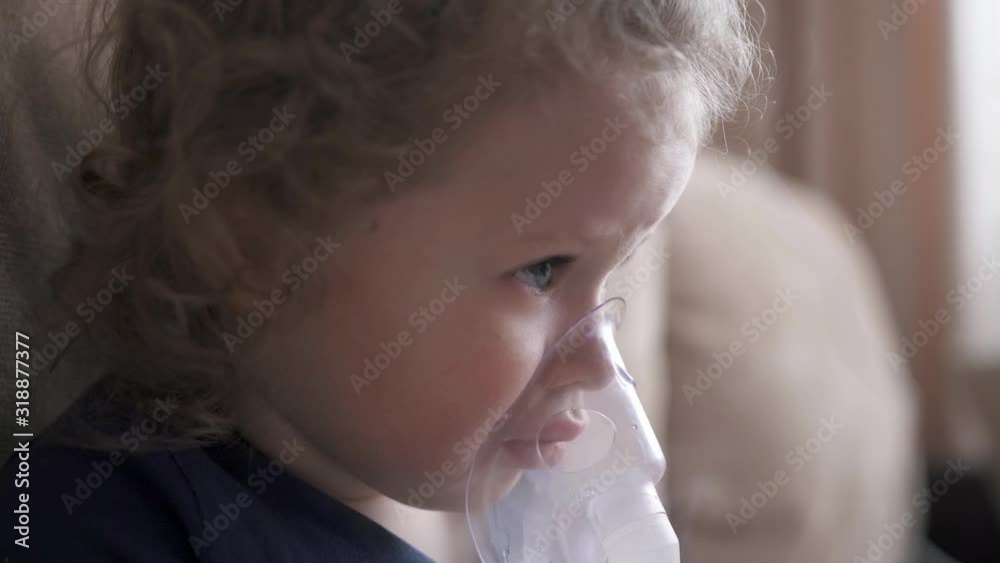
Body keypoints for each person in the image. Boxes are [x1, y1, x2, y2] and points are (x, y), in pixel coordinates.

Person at [2, 0, 758, 560]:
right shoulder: (89, 527)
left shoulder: (523, 506)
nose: (599, 362)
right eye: (541, 269)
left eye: (619, 264)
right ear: (248, 243)